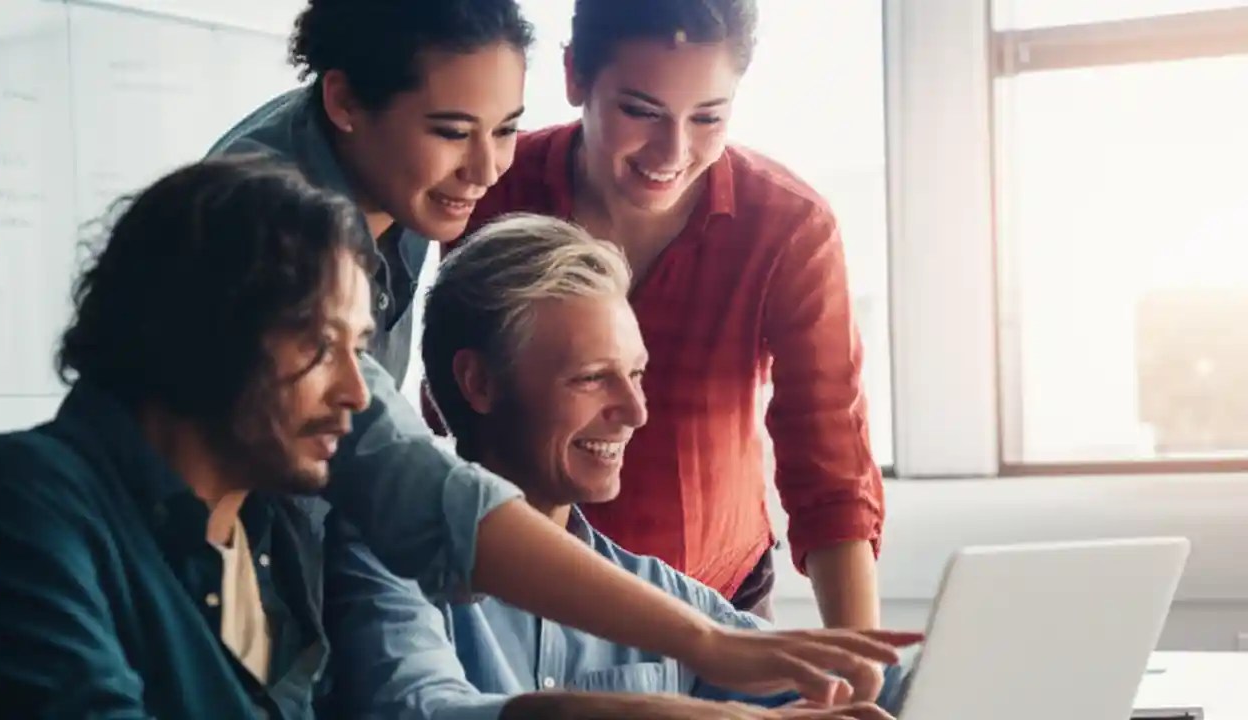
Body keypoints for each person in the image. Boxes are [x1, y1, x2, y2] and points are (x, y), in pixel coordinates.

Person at [208, 0, 909, 706]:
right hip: (277, 577)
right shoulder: (288, 226)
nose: (484, 168)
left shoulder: (407, 178)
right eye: (453, 131)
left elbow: (828, 462)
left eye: (504, 128)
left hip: (679, 587)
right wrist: (700, 643)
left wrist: (852, 681)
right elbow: (391, 463)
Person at [324, 214, 913, 718]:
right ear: (478, 382)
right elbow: (422, 711)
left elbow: (875, 686)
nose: (635, 412)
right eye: (590, 378)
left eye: (635, 374)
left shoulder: (663, 594)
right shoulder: (384, 555)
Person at [460, 0, 884, 627]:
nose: (673, 151)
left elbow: (830, 467)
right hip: (516, 602)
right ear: (576, 76)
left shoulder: (789, 228)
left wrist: (859, 663)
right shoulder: (489, 185)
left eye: (708, 117)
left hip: (717, 609)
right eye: (640, 111)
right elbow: (452, 388)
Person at [0, 158, 378, 717]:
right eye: (320, 345)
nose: (357, 394)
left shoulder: (278, 538)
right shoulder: (20, 500)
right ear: (205, 327)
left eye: (358, 349)